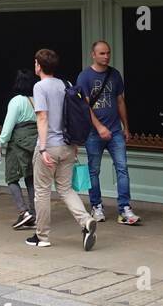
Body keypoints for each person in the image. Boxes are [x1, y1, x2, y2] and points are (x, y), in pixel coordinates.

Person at [26, 48, 98, 250]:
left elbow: (42, 117)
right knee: (66, 189)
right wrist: (74, 145)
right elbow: (73, 117)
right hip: (68, 145)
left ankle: (42, 236)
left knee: (42, 191)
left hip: (49, 146)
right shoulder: (65, 84)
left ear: (39, 66)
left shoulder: (40, 87)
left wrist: (42, 149)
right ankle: (85, 220)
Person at [77, 40, 140, 226]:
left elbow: (120, 101)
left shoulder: (114, 75)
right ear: (93, 55)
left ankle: (125, 209)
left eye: (108, 53)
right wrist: (99, 127)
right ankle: (96, 206)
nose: (106, 56)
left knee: (122, 168)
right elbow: (85, 106)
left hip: (115, 131)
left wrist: (125, 126)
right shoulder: (85, 77)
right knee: (94, 170)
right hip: (93, 133)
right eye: (102, 53)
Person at [0, 68, 38, 229]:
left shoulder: (16, 101)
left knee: (11, 178)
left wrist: (0, 142)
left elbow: (8, 127)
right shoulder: (37, 100)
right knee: (31, 179)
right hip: (35, 141)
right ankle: (35, 215)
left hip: (17, 144)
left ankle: (23, 212)